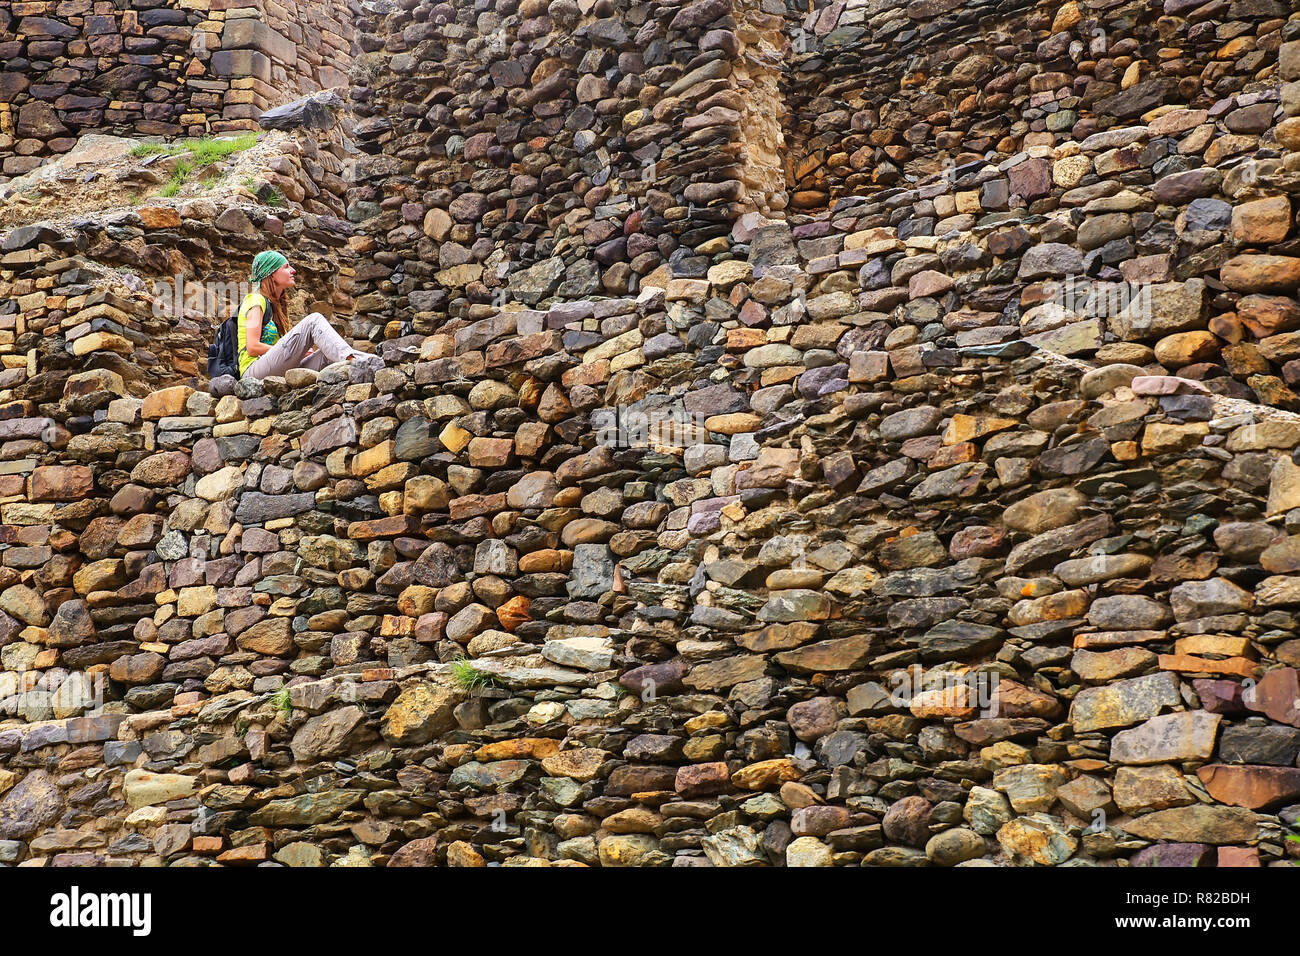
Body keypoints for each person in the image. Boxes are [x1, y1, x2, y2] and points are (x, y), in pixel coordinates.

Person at [238, 250, 384, 380]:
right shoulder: (255, 300)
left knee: (327, 354)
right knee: (313, 320)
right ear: (271, 273)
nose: (293, 270)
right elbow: (252, 347)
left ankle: (372, 367)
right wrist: (295, 351)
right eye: (286, 267)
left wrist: (296, 351)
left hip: (274, 367)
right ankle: (355, 359)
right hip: (253, 371)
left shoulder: (274, 305)